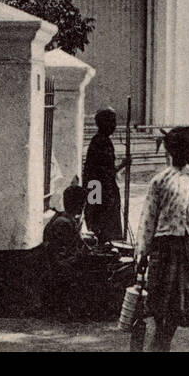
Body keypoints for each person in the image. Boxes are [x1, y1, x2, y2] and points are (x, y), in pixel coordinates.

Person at [133, 127, 189, 351]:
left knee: (180, 303)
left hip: (186, 249)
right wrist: (142, 253)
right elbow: (148, 219)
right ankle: (160, 343)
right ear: (175, 151)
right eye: (188, 147)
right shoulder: (160, 181)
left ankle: (161, 343)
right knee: (159, 302)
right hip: (162, 249)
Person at [41, 184, 91, 318]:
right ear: (79, 205)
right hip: (59, 269)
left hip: (58, 265)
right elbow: (63, 256)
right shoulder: (64, 223)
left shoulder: (63, 218)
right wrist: (83, 256)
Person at [82, 107, 125, 244]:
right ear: (102, 123)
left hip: (98, 188)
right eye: (111, 122)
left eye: (114, 122)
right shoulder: (101, 142)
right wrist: (123, 165)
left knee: (99, 223)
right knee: (100, 224)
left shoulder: (101, 141)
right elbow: (104, 171)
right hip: (98, 189)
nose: (114, 126)